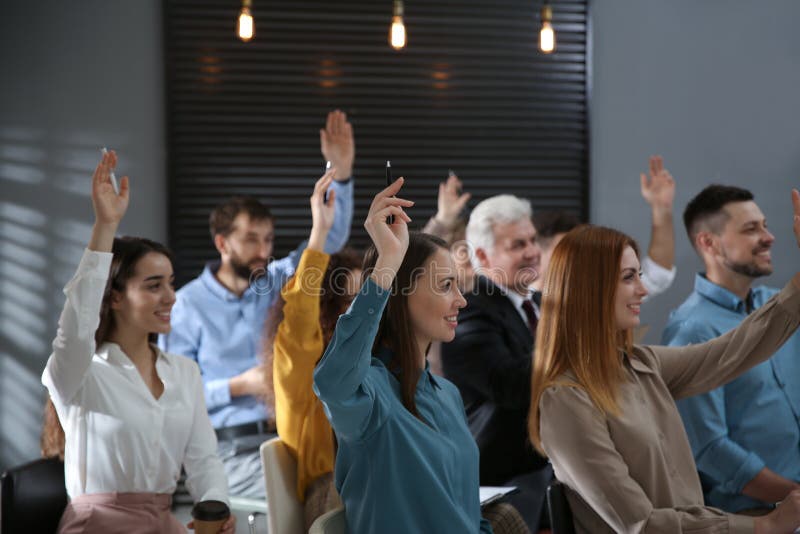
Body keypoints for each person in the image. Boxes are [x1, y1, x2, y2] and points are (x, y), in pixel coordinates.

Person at [528, 191, 800, 533]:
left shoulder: (641, 363)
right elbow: (642, 523)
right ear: (589, 290)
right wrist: (765, 525)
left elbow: (734, 351)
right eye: (628, 278)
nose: (642, 290)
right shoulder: (566, 399)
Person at [159, 110, 355, 497]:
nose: (263, 250)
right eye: (251, 239)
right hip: (227, 449)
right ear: (222, 243)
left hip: (289, 436)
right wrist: (237, 386)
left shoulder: (278, 281)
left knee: (354, 481)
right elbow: (171, 393)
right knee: (323, 493)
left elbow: (327, 243)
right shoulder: (185, 305)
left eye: (268, 239)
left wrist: (342, 173)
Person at [41, 150, 234, 533]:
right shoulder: (80, 372)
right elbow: (77, 322)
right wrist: (105, 228)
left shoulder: (183, 372)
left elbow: (204, 460)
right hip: (97, 525)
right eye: (153, 286)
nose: (171, 297)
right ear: (113, 297)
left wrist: (216, 506)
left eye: (171, 283)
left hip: (164, 523)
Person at [312, 178, 494, 533]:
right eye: (445, 286)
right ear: (401, 294)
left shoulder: (447, 394)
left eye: (458, 285)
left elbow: (468, 514)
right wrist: (387, 265)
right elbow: (330, 381)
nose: (462, 300)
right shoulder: (370, 395)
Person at [663, 185, 800, 513]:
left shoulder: (777, 304)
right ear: (708, 243)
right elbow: (711, 450)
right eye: (751, 229)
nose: (769, 237)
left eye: (765, 225)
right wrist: (793, 495)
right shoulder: (691, 329)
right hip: (754, 514)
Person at [441, 194, 551, 531]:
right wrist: (572, 340)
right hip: (505, 481)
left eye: (533, 240)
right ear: (483, 256)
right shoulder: (468, 311)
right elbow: (510, 384)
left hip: (550, 468)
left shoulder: (543, 304)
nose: (533, 251)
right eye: (518, 244)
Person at [262, 169, 362, 529]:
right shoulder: (302, 366)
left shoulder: (371, 363)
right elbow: (302, 308)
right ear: (325, 310)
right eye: (346, 300)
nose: (359, 310)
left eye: (363, 299)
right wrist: (319, 234)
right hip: (332, 496)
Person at [531, 155, 677, 298]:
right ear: (534, 256)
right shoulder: (519, 307)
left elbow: (657, 274)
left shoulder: (595, 296)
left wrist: (661, 208)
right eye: (564, 253)